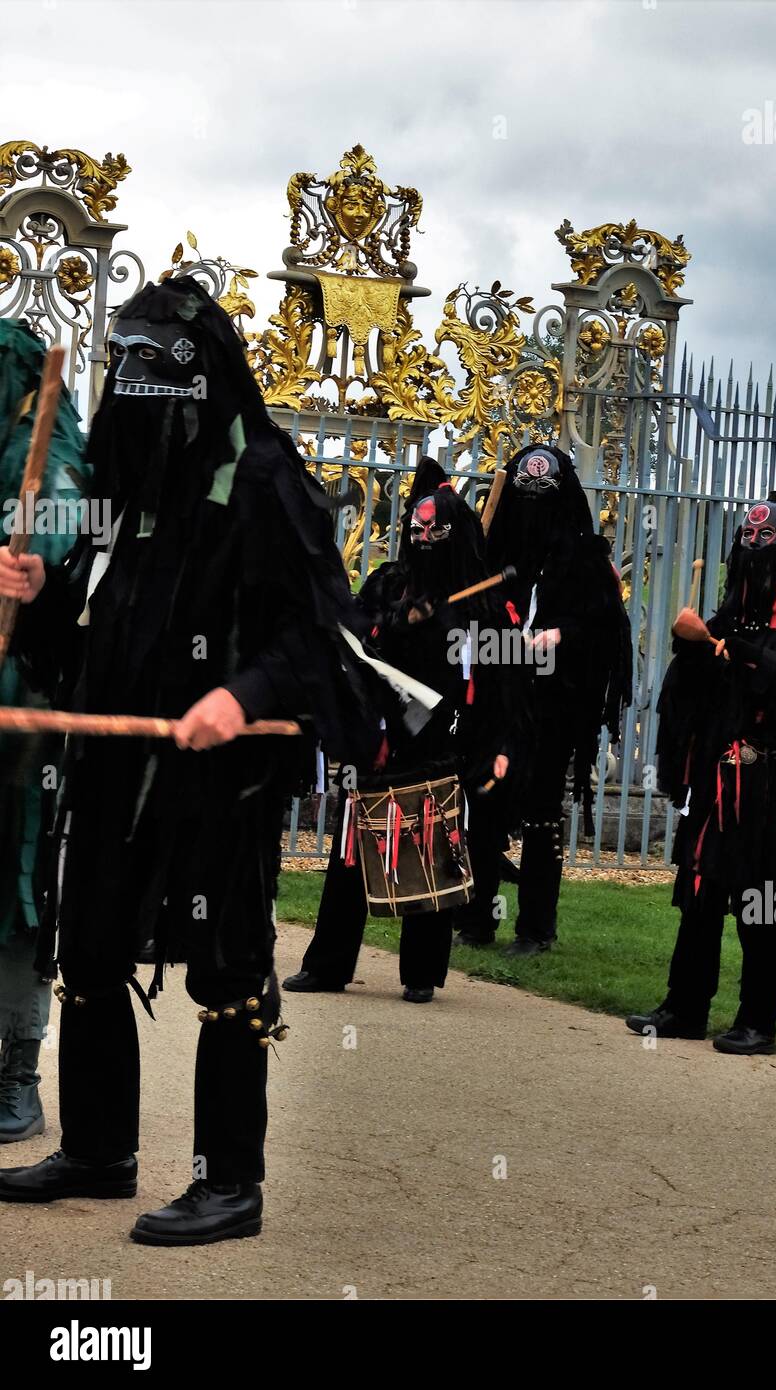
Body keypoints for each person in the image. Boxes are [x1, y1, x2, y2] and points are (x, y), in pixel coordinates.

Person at [0, 278, 381, 1244]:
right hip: (117, 763)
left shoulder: (261, 476)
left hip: (225, 773)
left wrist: (240, 693)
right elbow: (86, 618)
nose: (131, 409)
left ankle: (230, 1183)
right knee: (87, 944)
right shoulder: (128, 488)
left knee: (226, 965)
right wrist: (40, 588)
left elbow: (324, 633)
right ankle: (97, 1149)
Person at [284, 457, 528, 999]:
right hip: (383, 737)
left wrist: (500, 745)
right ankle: (328, 964)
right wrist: (398, 624)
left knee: (432, 853)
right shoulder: (389, 584)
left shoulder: (485, 605)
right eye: (415, 530)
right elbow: (354, 640)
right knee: (351, 849)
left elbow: (502, 685)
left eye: (433, 530)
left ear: (454, 532)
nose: (422, 538)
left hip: (443, 743)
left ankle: (421, 973)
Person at [626, 500, 776, 1054]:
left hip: (773, 786)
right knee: (699, 893)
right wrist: (692, 641)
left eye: (765, 540)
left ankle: (758, 1020)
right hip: (717, 779)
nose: (755, 553)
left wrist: (750, 659)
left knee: (762, 901)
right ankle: (685, 1006)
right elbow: (700, 682)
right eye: (748, 542)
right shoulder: (734, 608)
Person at [483, 444, 632, 955]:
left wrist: (560, 635)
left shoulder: (583, 556)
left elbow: (606, 627)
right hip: (495, 694)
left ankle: (535, 927)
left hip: (552, 700)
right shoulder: (493, 549)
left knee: (543, 807)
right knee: (483, 798)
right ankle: (477, 915)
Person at [0, 320, 89, 1143]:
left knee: (16, 899)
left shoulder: (45, 449)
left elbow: (54, 537)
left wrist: (23, 568)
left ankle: (17, 1075)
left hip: (20, 720)